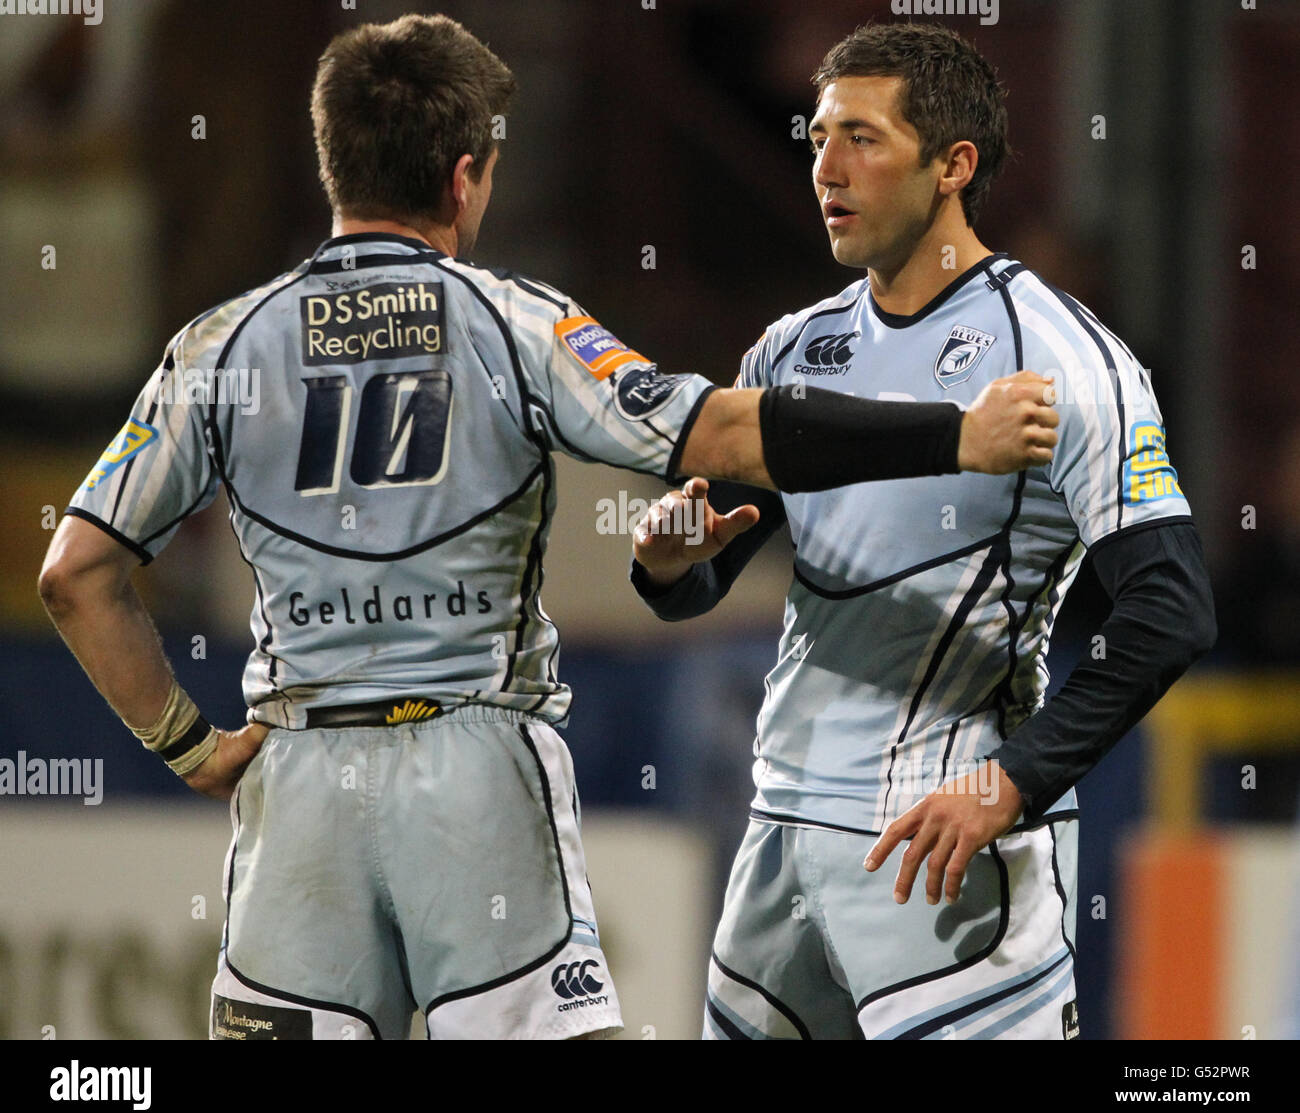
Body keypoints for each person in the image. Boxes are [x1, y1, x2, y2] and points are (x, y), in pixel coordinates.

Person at [37, 14, 1054, 1042]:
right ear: (465, 176)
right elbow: (725, 432)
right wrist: (953, 434)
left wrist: (190, 747)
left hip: (298, 778)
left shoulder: (221, 344)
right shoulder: (518, 324)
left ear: (331, 162)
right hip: (471, 772)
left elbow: (76, 573)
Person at [631, 21, 1216, 1040]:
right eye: (816, 137)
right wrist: (673, 566)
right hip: (779, 837)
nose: (824, 168)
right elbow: (727, 553)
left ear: (953, 165)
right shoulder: (791, 346)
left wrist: (1015, 780)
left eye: (860, 138)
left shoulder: (1067, 356)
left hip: (940, 842)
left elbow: (1170, 610)